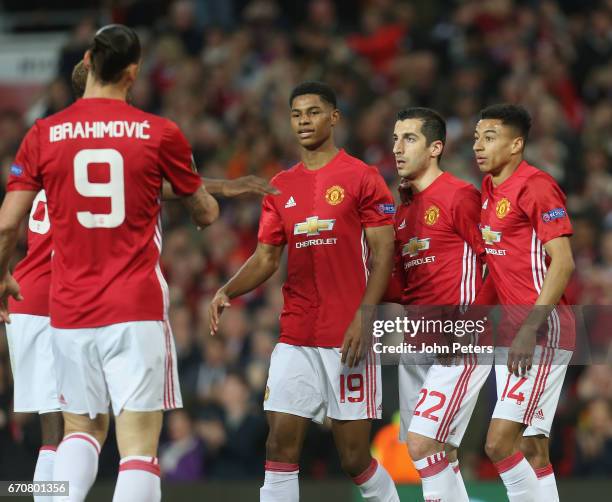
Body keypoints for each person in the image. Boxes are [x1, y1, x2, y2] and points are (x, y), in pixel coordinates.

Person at [3, 57, 277, 498]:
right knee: (121, 439)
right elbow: (154, 183)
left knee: (61, 431)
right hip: (78, 296)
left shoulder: (49, 142)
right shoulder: (132, 137)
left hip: (28, 294)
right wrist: (218, 191)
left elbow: (9, 220)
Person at [209, 81, 400, 502]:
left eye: (313, 112)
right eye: (296, 114)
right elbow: (265, 259)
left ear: (333, 117)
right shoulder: (281, 185)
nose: (304, 122)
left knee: (353, 459)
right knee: (279, 445)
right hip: (296, 334)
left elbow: (384, 254)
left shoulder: (362, 177)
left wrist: (363, 319)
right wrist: (228, 289)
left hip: (347, 335)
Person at [386, 107, 493, 502]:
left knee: (422, 442)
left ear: (436, 147)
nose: (397, 148)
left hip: (457, 337)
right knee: (437, 453)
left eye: (409, 139)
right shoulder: (402, 213)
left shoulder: (461, 196)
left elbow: (493, 262)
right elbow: (398, 287)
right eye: (395, 139)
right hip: (416, 341)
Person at [474, 104, 575, 502]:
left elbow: (563, 262)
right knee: (533, 447)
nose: (479, 146)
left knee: (499, 444)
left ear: (516, 144)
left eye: (490, 137)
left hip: (540, 332)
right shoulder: (488, 190)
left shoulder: (537, 186)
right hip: (512, 331)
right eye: (477, 137)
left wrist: (530, 328)